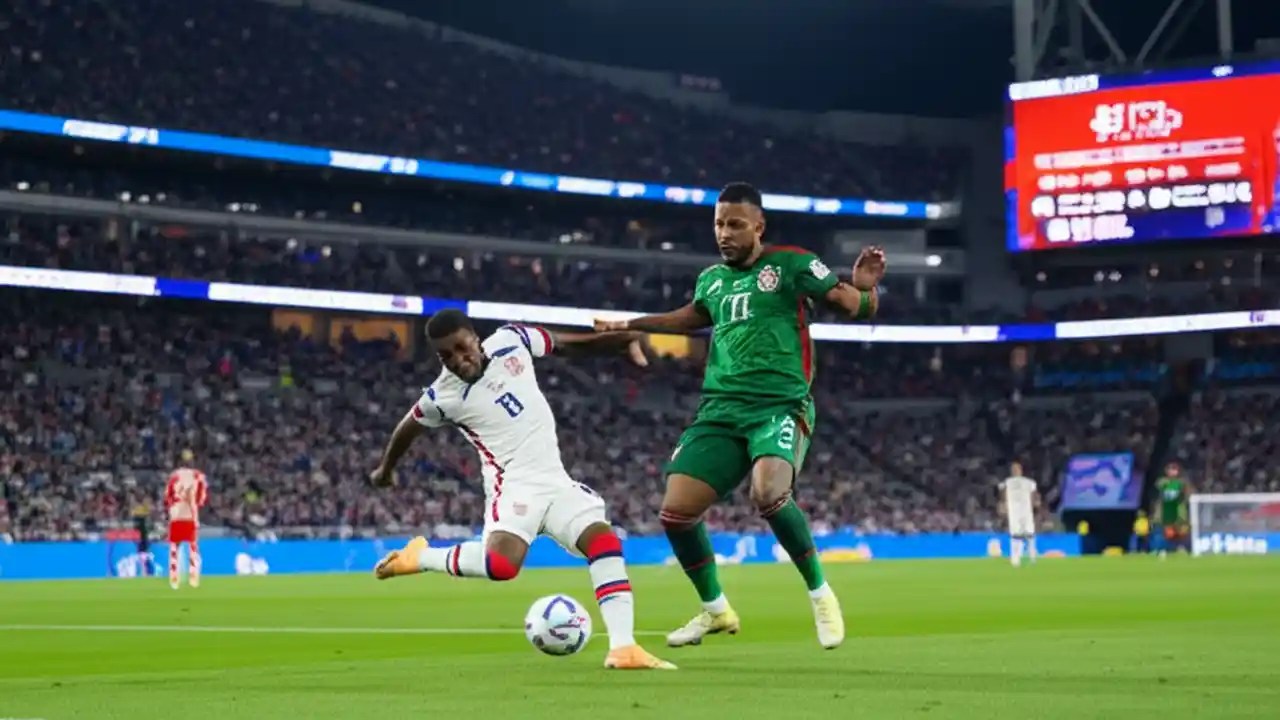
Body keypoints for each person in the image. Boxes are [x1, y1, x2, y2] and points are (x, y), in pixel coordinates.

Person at [594, 182, 886, 650]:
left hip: (779, 404)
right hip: (720, 409)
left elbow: (850, 305)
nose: (724, 233)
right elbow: (691, 317)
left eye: (734, 224)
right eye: (718, 224)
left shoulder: (791, 263)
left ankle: (820, 593)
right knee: (676, 513)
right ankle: (715, 611)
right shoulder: (711, 279)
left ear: (758, 227)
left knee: (769, 492)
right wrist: (631, 323)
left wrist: (868, 290)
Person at [370, 310, 676, 671]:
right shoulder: (442, 397)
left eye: (461, 347)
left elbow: (566, 345)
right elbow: (407, 428)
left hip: (556, 482)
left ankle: (624, 648)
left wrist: (618, 342)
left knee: (604, 542)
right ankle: (419, 557)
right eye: (445, 356)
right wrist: (385, 470)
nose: (456, 359)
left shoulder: (512, 340)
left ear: (475, 338)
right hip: (514, 487)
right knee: (501, 566)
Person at [164, 449, 208, 589]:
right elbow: (202, 497)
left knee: (173, 548)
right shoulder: (198, 476)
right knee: (193, 547)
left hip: (176, 514)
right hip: (190, 515)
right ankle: (193, 578)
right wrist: (196, 504)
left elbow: (168, 496)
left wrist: (173, 507)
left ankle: (173, 579)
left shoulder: (174, 476)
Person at [997, 461, 1039, 567]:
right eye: (1013, 469)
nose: (1015, 470)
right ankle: (1015, 559)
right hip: (1014, 511)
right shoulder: (1007, 482)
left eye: (1017, 468)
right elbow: (1002, 492)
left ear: (1021, 470)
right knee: (1015, 535)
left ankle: (1032, 557)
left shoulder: (1028, 482)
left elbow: (1034, 494)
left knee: (1030, 534)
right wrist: (1003, 504)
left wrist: (1035, 504)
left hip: (1026, 511)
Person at [1155, 461, 1192, 556]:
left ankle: (1181, 548)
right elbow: (1160, 489)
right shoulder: (1163, 482)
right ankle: (1167, 549)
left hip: (1179, 511)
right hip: (1168, 511)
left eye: (1174, 469)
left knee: (1182, 532)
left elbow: (1188, 494)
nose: (1172, 472)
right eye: (1171, 470)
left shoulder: (1182, 483)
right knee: (1169, 533)